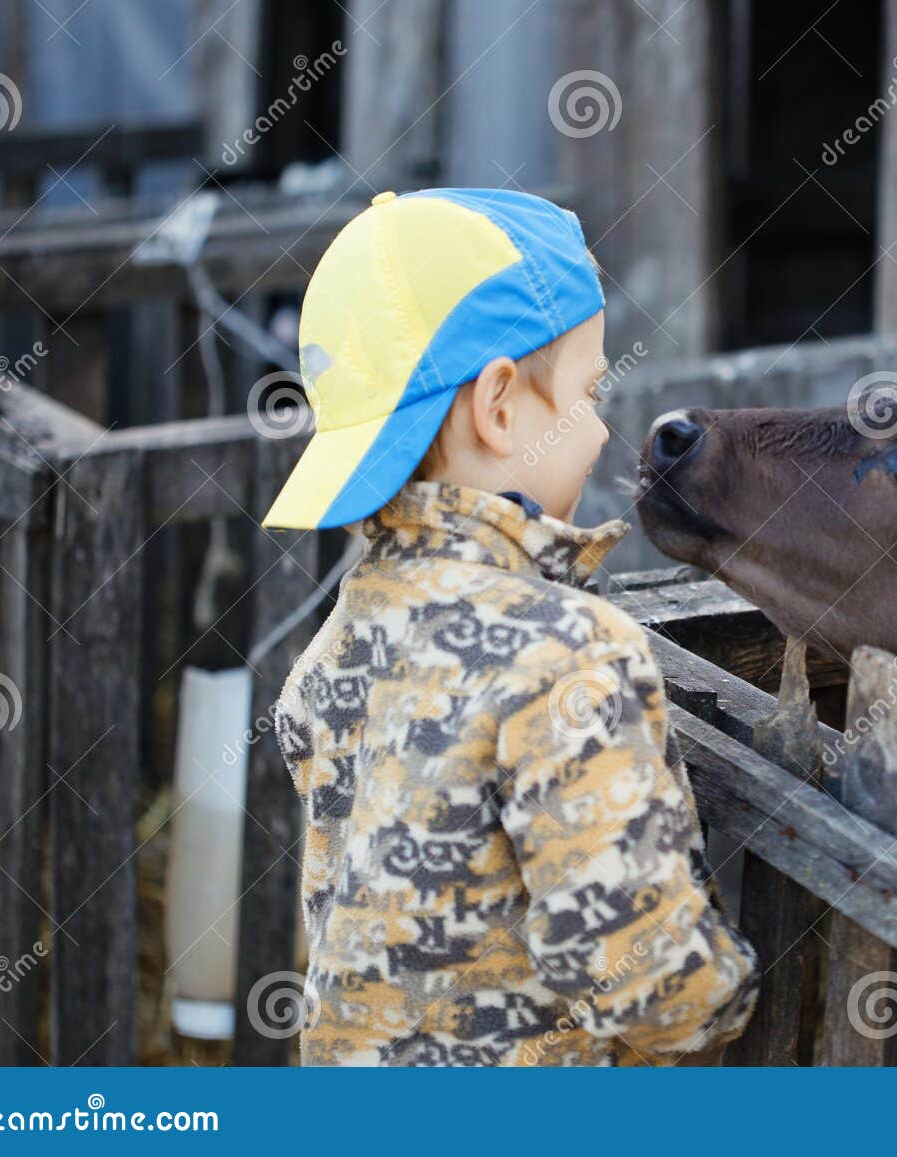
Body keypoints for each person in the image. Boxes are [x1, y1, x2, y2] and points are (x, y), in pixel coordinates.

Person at [263, 188, 758, 1065]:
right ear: (499, 405)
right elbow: (652, 994)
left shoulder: (331, 652)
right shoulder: (566, 653)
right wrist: (730, 982)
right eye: (589, 388)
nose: (604, 427)